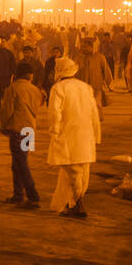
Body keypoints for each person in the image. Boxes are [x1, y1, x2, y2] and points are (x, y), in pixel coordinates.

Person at [46, 57, 101, 218]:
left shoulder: (58, 88)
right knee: (82, 171)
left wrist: (54, 132)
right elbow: (94, 113)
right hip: (86, 136)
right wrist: (96, 135)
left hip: (67, 136)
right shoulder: (86, 87)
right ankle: (70, 202)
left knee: (73, 172)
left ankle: (77, 204)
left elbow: (54, 113)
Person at [0, 61, 44, 209]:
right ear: (29, 75)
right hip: (30, 130)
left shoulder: (13, 88)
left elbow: (7, 110)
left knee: (21, 164)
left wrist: (3, 126)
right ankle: (18, 195)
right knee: (19, 163)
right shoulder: (35, 90)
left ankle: (32, 195)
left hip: (18, 129)